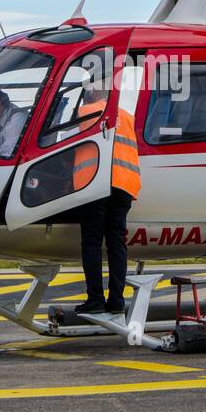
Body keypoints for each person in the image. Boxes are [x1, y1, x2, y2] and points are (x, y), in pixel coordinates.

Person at [75, 83, 142, 315]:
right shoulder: (126, 116)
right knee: (116, 242)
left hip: (96, 182)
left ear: (92, 95)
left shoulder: (86, 112)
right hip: (125, 184)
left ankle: (95, 299)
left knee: (92, 241)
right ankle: (116, 300)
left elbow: (61, 139)